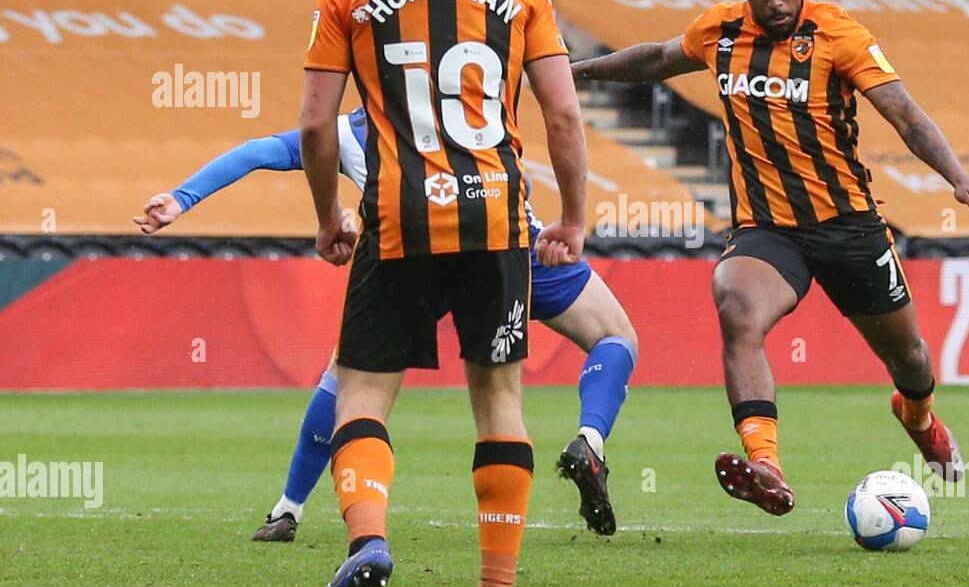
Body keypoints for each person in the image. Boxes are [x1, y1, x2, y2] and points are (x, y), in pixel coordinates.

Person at [571, 0, 969, 516]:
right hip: (767, 231)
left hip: (849, 225)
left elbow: (906, 116)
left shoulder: (839, 34)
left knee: (909, 359)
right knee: (735, 305)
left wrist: (959, 179)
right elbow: (654, 59)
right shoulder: (719, 33)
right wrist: (570, 71)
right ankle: (767, 465)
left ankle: (918, 416)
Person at [294, 0, 588, 587]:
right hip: (497, 219)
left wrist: (328, 216)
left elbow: (318, 127)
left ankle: (369, 539)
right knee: (499, 404)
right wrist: (571, 216)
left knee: (363, 394)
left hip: (397, 220)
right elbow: (563, 114)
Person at [133, 109, 636, 543]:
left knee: (347, 378)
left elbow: (257, 150)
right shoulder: (474, 95)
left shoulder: (353, 129)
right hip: (512, 246)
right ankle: (588, 442)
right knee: (610, 339)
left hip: (422, 258)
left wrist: (183, 198)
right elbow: (543, 144)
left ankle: (290, 507)